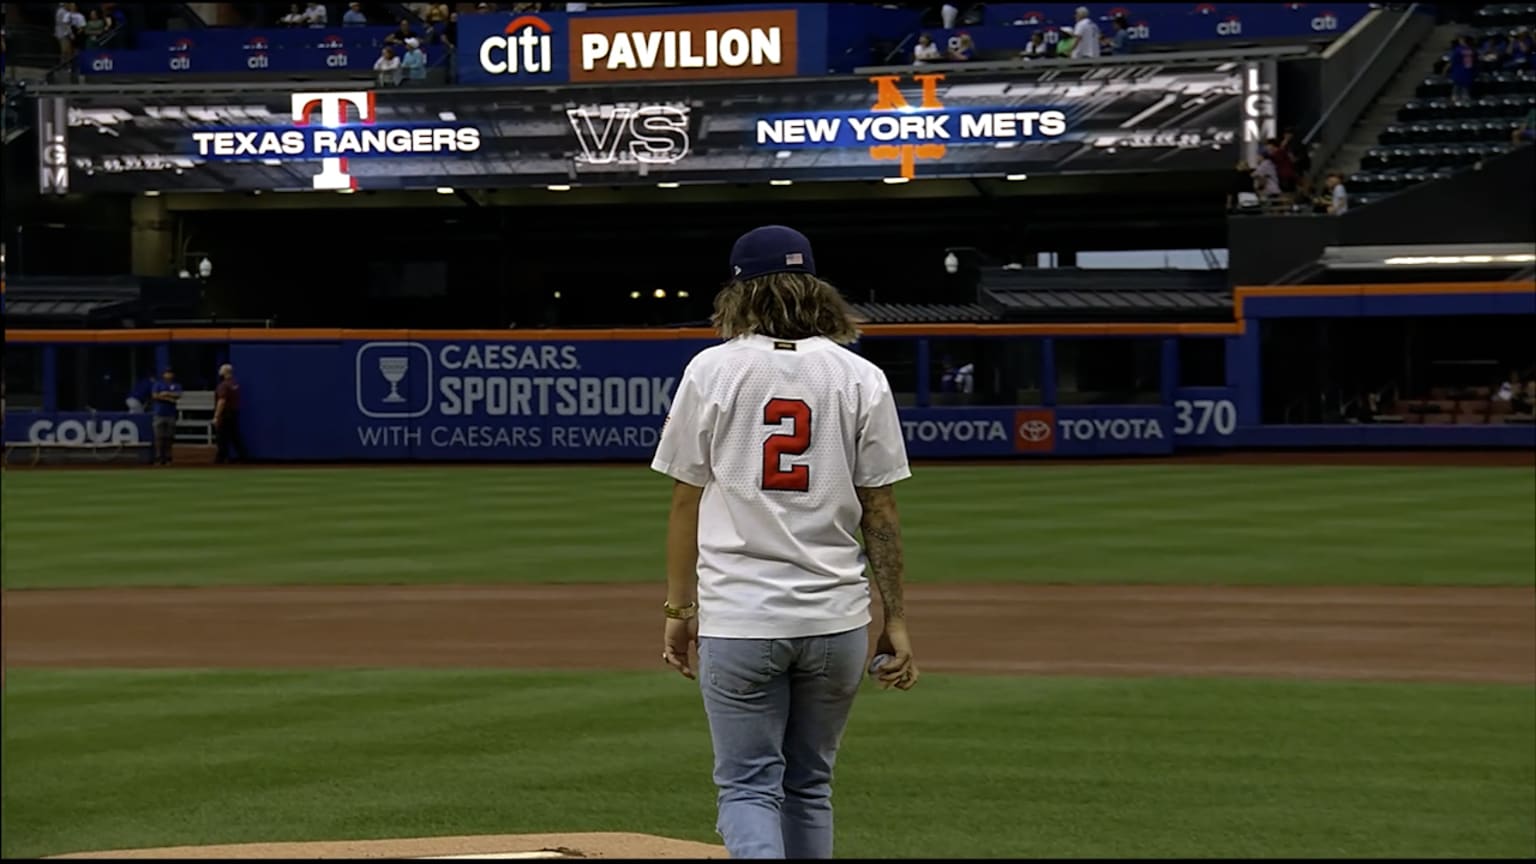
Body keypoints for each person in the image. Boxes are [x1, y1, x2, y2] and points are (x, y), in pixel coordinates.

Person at [652, 225, 918, 860]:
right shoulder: (860, 375)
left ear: (739, 291)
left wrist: (677, 611)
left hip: (741, 619)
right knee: (810, 787)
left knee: (747, 788)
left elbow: (685, 500)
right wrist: (897, 619)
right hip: (835, 620)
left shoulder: (711, 369)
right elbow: (879, 509)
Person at [213, 363, 248, 464]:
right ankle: (243, 456)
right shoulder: (234, 384)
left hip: (225, 413)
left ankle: (220, 458)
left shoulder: (223, 385)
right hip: (234, 413)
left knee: (222, 437)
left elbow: (222, 401)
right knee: (234, 436)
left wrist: (216, 416)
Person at [151, 366, 182, 466]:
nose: (168, 375)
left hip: (170, 414)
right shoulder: (158, 384)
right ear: (163, 374)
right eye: (167, 373)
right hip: (159, 413)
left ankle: (168, 458)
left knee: (169, 437)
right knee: (159, 438)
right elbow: (155, 396)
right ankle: (159, 458)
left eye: (170, 373)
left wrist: (166, 393)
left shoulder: (176, 385)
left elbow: (178, 395)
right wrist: (169, 399)